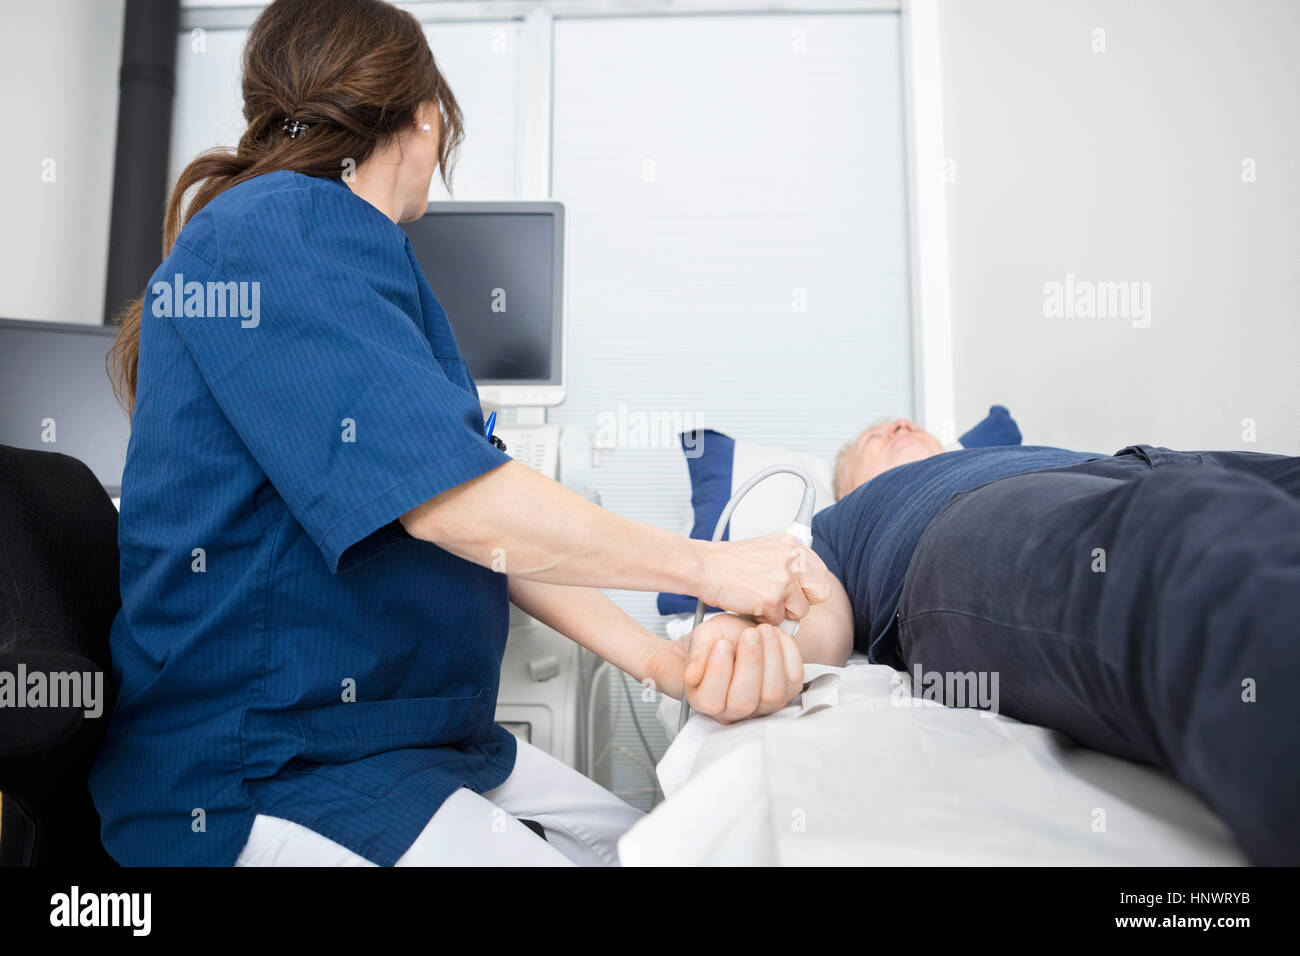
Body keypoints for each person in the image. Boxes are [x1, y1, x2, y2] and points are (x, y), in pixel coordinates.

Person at [88, 0, 830, 867]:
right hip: (261, 769)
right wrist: (713, 565)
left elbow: (493, 530)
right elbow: (457, 510)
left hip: (402, 746)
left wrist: (662, 666)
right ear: (428, 115)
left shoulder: (346, 259)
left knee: (654, 846)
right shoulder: (277, 227)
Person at [753, 428, 1300, 864]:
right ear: (849, 485)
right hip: (973, 520)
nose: (898, 424)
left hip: (1146, 461)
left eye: (907, 422)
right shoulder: (842, 520)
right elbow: (819, 615)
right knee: (1198, 544)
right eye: (876, 437)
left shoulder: (1017, 448)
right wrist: (765, 657)